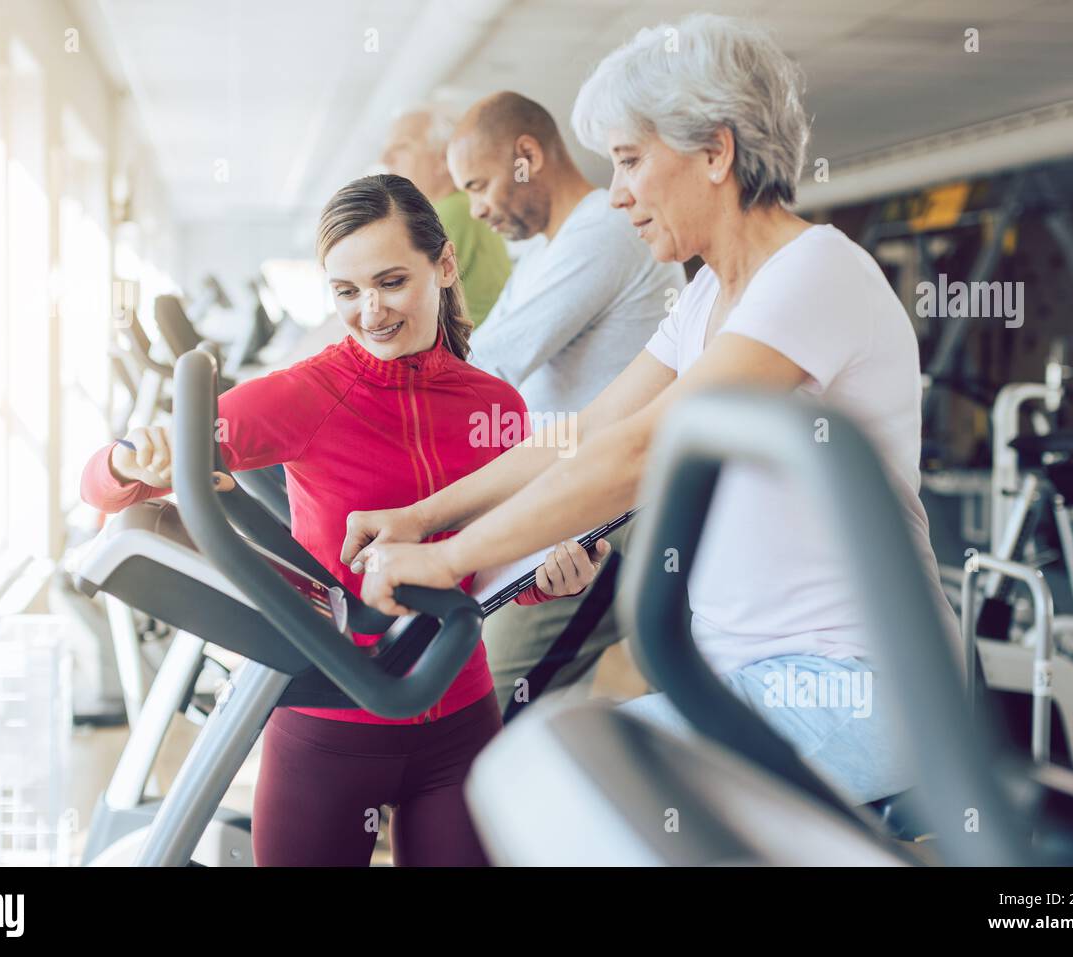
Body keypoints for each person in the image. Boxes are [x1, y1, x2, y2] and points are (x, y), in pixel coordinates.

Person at [341, 15, 961, 807]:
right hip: (744, 679)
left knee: (559, 785)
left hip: (861, 687)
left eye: (631, 160)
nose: (617, 192)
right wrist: (420, 517)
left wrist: (448, 562)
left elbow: (640, 452)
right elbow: (587, 430)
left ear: (715, 151)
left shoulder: (816, 273)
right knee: (550, 767)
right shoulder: (709, 294)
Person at [80, 174, 605, 866]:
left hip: (459, 719)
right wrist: (130, 458)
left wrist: (552, 575)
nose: (370, 310)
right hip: (329, 725)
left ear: (443, 267)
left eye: (391, 282)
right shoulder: (309, 392)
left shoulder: (495, 404)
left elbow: (501, 559)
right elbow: (100, 483)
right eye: (347, 291)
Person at [444, 90, 686, 717]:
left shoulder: (604, 230)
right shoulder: (538, 256)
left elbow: (485, 368)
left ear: (526, 155)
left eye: (479, 185)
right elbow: (479, 358)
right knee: (481, 698)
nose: (476, 210)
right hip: (560, 499)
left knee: (483, 705)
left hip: (611, 519)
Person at [381, 105, 511, 328]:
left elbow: (386, 297)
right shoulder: (461, 206)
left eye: (402, 147)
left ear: (443, 160)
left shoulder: (450, 213)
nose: (385, 159)